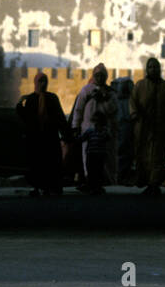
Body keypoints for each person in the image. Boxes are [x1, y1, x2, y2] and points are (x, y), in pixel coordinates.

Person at [16, 72, 70, 196]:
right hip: (36, 137)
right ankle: (38, 187)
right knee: (36, 163)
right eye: (40, 81)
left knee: (50, 162)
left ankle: (49, 187)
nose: (43, 84)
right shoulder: (31, 99)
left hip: (49, 137)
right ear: (35, 83)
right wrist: (20, 103)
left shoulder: (52, 98)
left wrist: (66, 134)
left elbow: (60, 117)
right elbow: (25, 117)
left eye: (45, 81)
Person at [130, 57, 165, 197]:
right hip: (144, 128)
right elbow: (133, 102)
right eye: (151, 67)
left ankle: (154, 184)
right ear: (147, 69)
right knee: (143, 156)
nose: (153, 69)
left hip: (161, 128)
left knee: (158, 157)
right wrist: (135, 115)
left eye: (156, 67)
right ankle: (148, 183)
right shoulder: (140, 85)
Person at [74, 63, 117, 194]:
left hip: (103, 131)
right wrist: (75, 126)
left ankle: (102, 182)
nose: (99, 78)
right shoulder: (86, 90)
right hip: (88, 128)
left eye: (102, 75)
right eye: (97, 75)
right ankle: (89, 181)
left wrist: (105, 99)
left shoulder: (110, 93)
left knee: (103, 158)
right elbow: (78, 109)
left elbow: (114, 110)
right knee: (87, 157)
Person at [113, 77, 135, 186]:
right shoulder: (128, 100)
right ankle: (122, 177)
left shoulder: (116, 99)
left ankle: (121, 177)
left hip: (124, 129)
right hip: (124, 129)